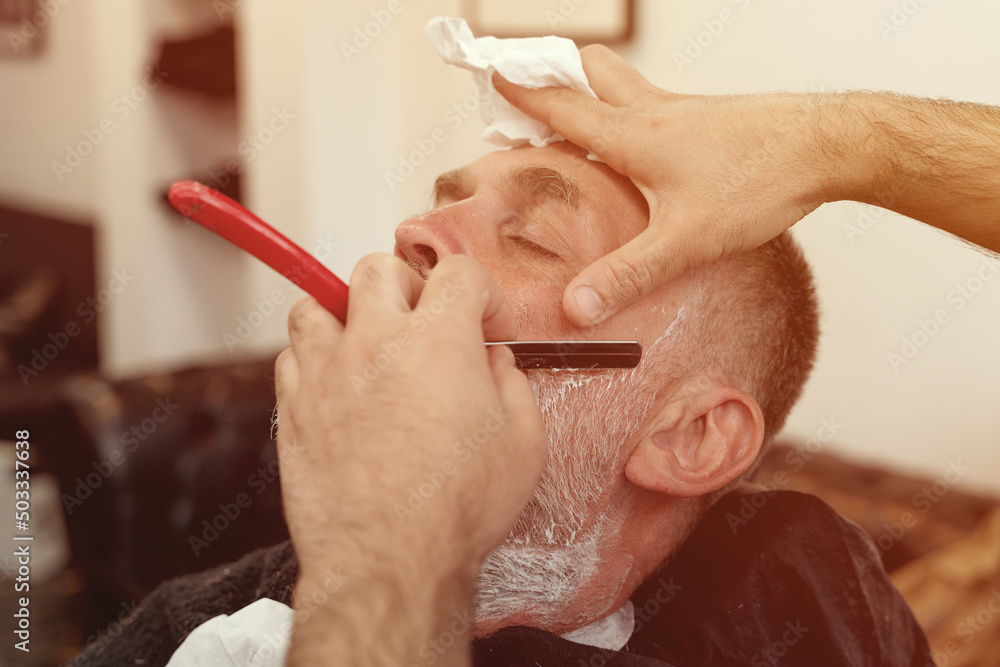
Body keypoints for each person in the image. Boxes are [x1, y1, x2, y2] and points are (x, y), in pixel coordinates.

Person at [70, 139, 931, 667]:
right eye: (447, 202)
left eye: (530, 236)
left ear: (692, 435)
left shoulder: (814, 594)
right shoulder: (204, 630)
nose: (413, 230)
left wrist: (847, 142)